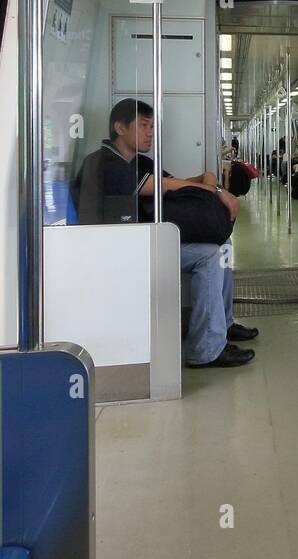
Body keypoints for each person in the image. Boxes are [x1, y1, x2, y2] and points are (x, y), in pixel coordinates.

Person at [72, 98, 257, 368]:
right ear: (120, 128)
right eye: (144, 126)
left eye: (152, 126)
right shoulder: (104, 164)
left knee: (222, 242)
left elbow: (178, 183)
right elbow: (165, 186)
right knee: (209, 255)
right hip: (115, 252)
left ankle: (222, 326)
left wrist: (207, 177)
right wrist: (216, 190)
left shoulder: (140, 162)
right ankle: (204, 350)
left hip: (142, 242)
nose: (150, 132)